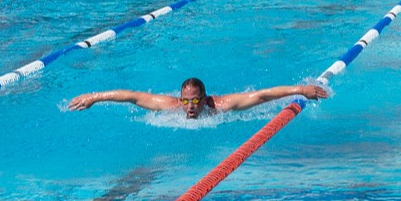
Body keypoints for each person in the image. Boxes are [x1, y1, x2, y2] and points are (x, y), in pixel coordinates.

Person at [69, 76, 329, 119]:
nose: (190, 107)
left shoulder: (221, 106)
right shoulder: (171, 107)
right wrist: (94, 96)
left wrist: (300, 89)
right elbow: (132, 96)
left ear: (205, 99)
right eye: (186, 101)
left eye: (195, 101)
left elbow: (262, 95)